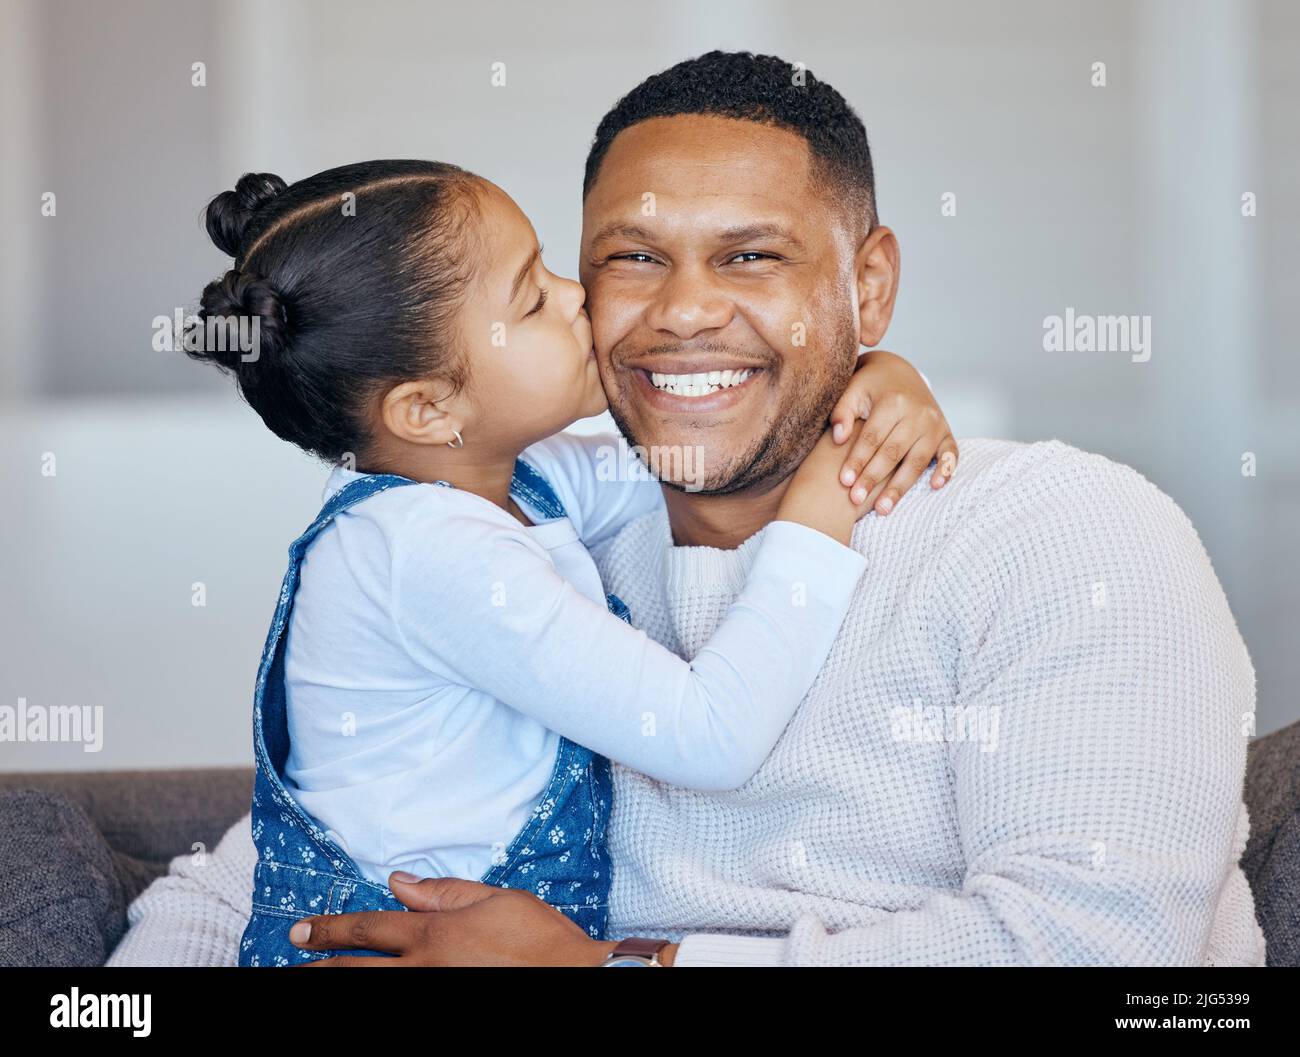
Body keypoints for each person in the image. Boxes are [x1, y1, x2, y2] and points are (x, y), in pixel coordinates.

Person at [109, 52, 1263, 968]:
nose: (685, 314)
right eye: (630, 260)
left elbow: (1109, 959)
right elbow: (282, 857)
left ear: (867, 288)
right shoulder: (558, 530)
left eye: (751, 257)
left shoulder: (1064, 533)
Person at [173, 158, 957, 966]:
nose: (579, 294)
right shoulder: (422, 550)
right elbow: (709, 733)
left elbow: (701, 460)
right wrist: (827, 502)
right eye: (533, 297)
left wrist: (876, 378)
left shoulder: (516, 479)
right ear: (428, 408)